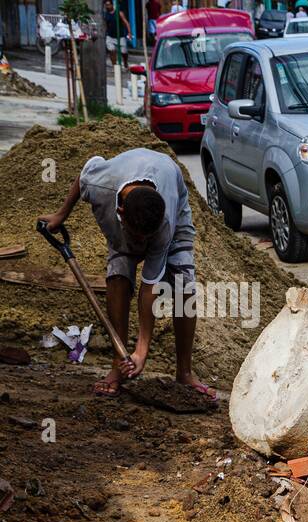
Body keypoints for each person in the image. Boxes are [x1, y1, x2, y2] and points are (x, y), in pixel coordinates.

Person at [38, 149, 215, 404]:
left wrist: (142, 350)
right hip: (121, 226)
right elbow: (83, 175)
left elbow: (150, 286)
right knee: (118, 277)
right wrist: (61, 214)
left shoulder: (164, 222)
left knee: (183, 286)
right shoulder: (100, 183)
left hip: (172, 220)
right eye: (138, 238)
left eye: (146, 239)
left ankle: (184, 372)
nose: (141, 245)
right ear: (120, 211)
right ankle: (118, 365)